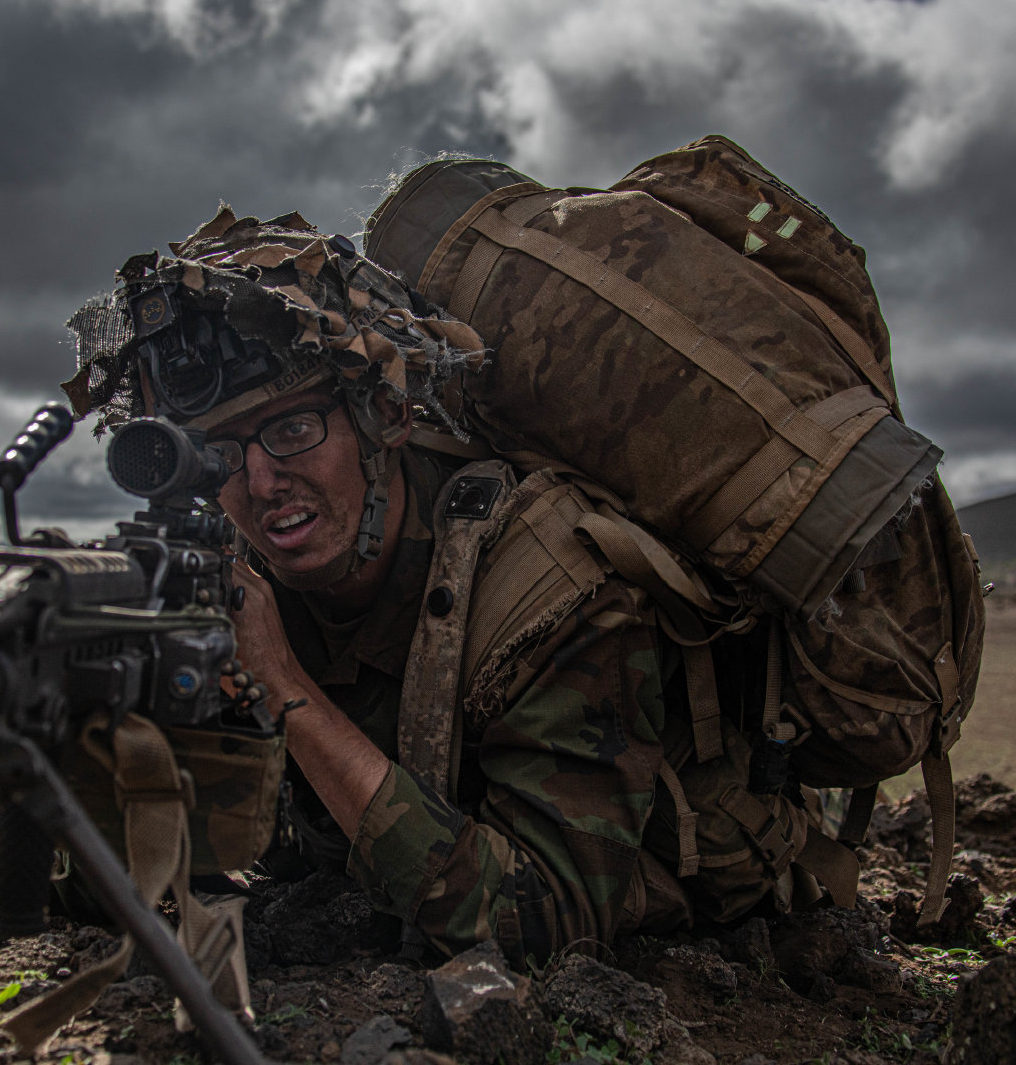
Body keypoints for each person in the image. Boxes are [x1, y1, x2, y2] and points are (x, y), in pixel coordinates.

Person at [64, 208, 813, 967]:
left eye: (293, 431)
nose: (260, 482)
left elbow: (550, 922)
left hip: (692, 929)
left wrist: (284, 689)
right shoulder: (241, 573)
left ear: (385, 414)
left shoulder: (547, 586)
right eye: (220, 453)